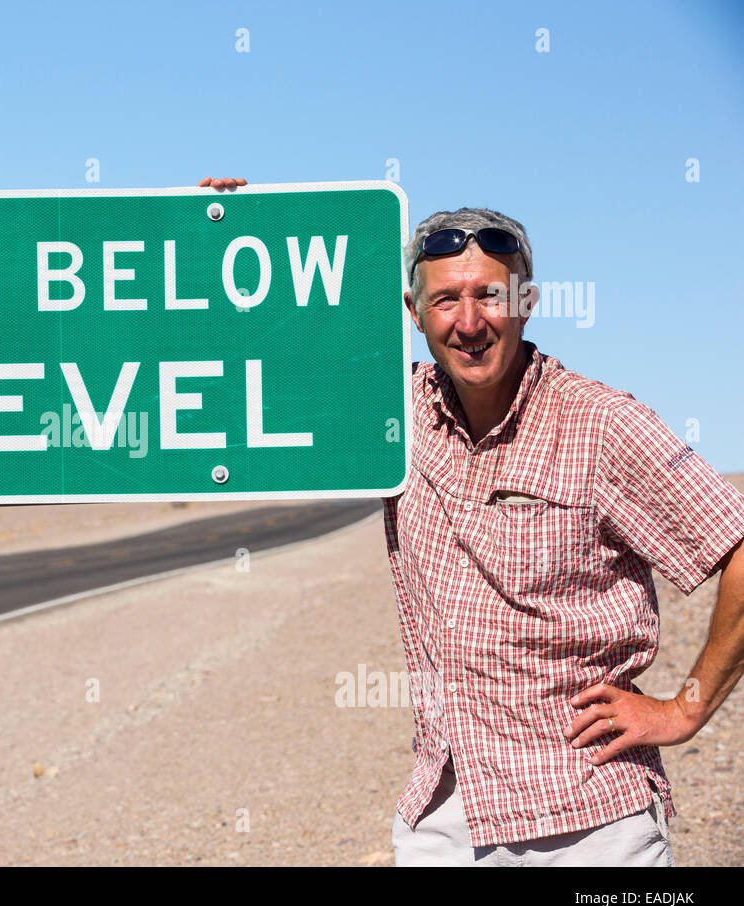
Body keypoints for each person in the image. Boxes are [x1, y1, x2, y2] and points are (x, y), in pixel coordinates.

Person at [200, 176, 744, 865]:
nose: (469, 321)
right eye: (445, 299)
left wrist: (685, 708)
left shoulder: (601, 424)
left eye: (489, 294)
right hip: (445, 819)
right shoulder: (391, 417)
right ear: (413, 311)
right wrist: (213, 232)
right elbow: (259, 360)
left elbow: (737, 542)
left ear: (526, 304)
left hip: (589, 819)